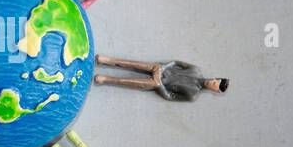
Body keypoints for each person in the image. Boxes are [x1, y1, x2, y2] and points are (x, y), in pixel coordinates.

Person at [94, 56, 229, 101]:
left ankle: (106, 79)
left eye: (215, 85)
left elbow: (171, 96)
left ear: (214, 90)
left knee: (137, 82)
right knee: (138, 64)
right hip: (162, 69)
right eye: (216, 81)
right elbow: (177, 63)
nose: (213, 82)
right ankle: (108, 60)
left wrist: (160, 87)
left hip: (159, 83)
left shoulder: (192, 94)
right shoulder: (196, 70)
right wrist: (164, 66)